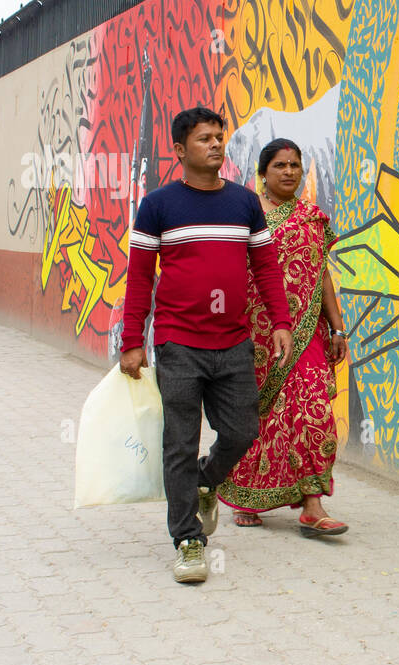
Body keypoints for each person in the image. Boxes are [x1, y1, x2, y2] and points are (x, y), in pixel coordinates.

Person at [119, 107, 294, 584]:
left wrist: (280, 320)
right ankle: (188, 541)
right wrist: (131, 340)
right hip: (178, 341)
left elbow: (266, 268)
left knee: (242, 431)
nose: (216, 145)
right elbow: (139, 277)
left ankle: (204, 480)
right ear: (180, 150)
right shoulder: (158, 206)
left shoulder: (243, 204)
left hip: (234, 340)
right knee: (179, 440)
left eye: (219, 137)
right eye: (204, 139)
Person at [216, 138, 349, 536]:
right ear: (263, 173)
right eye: (279, 165)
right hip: (256, 335)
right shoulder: (246, 218)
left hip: (306, 333)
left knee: (312, 408)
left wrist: (337, 327)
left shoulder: (311, 218)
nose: (289, 171)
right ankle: (245, 494)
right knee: (256, 416)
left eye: (295, 164)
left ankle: (312, 503)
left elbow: (321, 273)